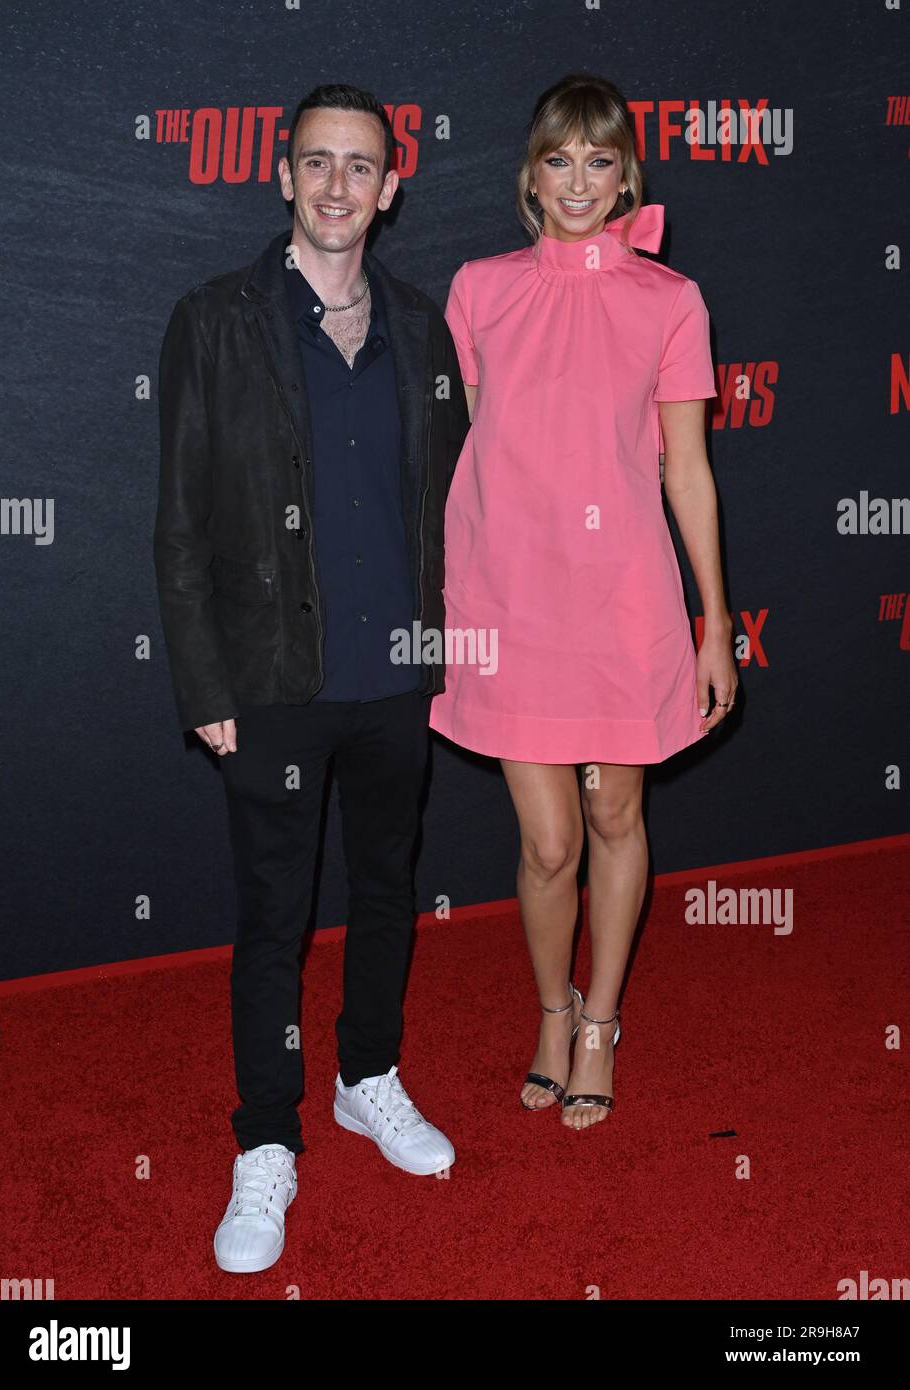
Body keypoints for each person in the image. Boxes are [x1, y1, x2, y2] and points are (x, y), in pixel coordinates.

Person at [153, 83, 469, 1273]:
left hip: (398, 675)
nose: (339, 186)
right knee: (273, 921)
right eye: (317, 163)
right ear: (282, 174)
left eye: (362, 167)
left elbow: (456, 509)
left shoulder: (422, 326)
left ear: (391, 188)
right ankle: (267, 1138)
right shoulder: (217, 320)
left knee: (386, 891)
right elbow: (178, 524)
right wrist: (203, 682)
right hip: (274, 675)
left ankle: (368, 1076)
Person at [428, 73, 738, 1131]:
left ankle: (598, 1021)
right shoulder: (478, 289)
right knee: (548, 841)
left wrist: (714, 623)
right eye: (557, 159)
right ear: (530, 175)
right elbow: (477, 451)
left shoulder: (670, 300)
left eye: (598, 161)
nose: (577, 180)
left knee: (615, 812)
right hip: (510, 600)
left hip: (621, 603)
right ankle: (549, 1008)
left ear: (625, 180)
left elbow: (687, 471)